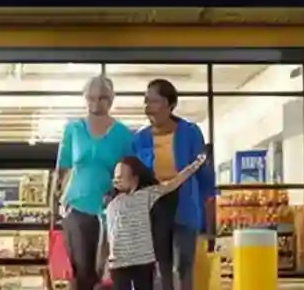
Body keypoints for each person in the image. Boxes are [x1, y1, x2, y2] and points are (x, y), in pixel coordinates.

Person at [132, 79, 218, 290]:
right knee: (161, 268)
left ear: (170, 104)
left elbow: (204, 175)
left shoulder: (190, 132)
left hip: (185, 206)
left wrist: (210, 218)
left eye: (154, 101)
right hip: (154, 209)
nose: (148, 106)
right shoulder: (139, 139)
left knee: (183, 265)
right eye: (146, 101)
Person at [52, 75, 133, 290]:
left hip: (109, 210)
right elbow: (62, 169)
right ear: (85, 98)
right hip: (76, 205)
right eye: (92, 98)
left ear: (112, 99)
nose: (97, 103)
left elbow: (129, 175)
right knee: (81, 270)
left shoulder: (123, 135)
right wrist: (56, 205)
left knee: (104, 273)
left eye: (103, 98)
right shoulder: (73, 129)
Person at [98, 154, 209, 290]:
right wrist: (102, 263)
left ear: (134, 179)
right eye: (115, 176)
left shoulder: (146, 195)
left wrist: (194, 166)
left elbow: (173, 184)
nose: (117, 180)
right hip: (118, 263)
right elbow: (106, 234)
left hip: (143, 261)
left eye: (121, 176)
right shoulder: (110, 202)